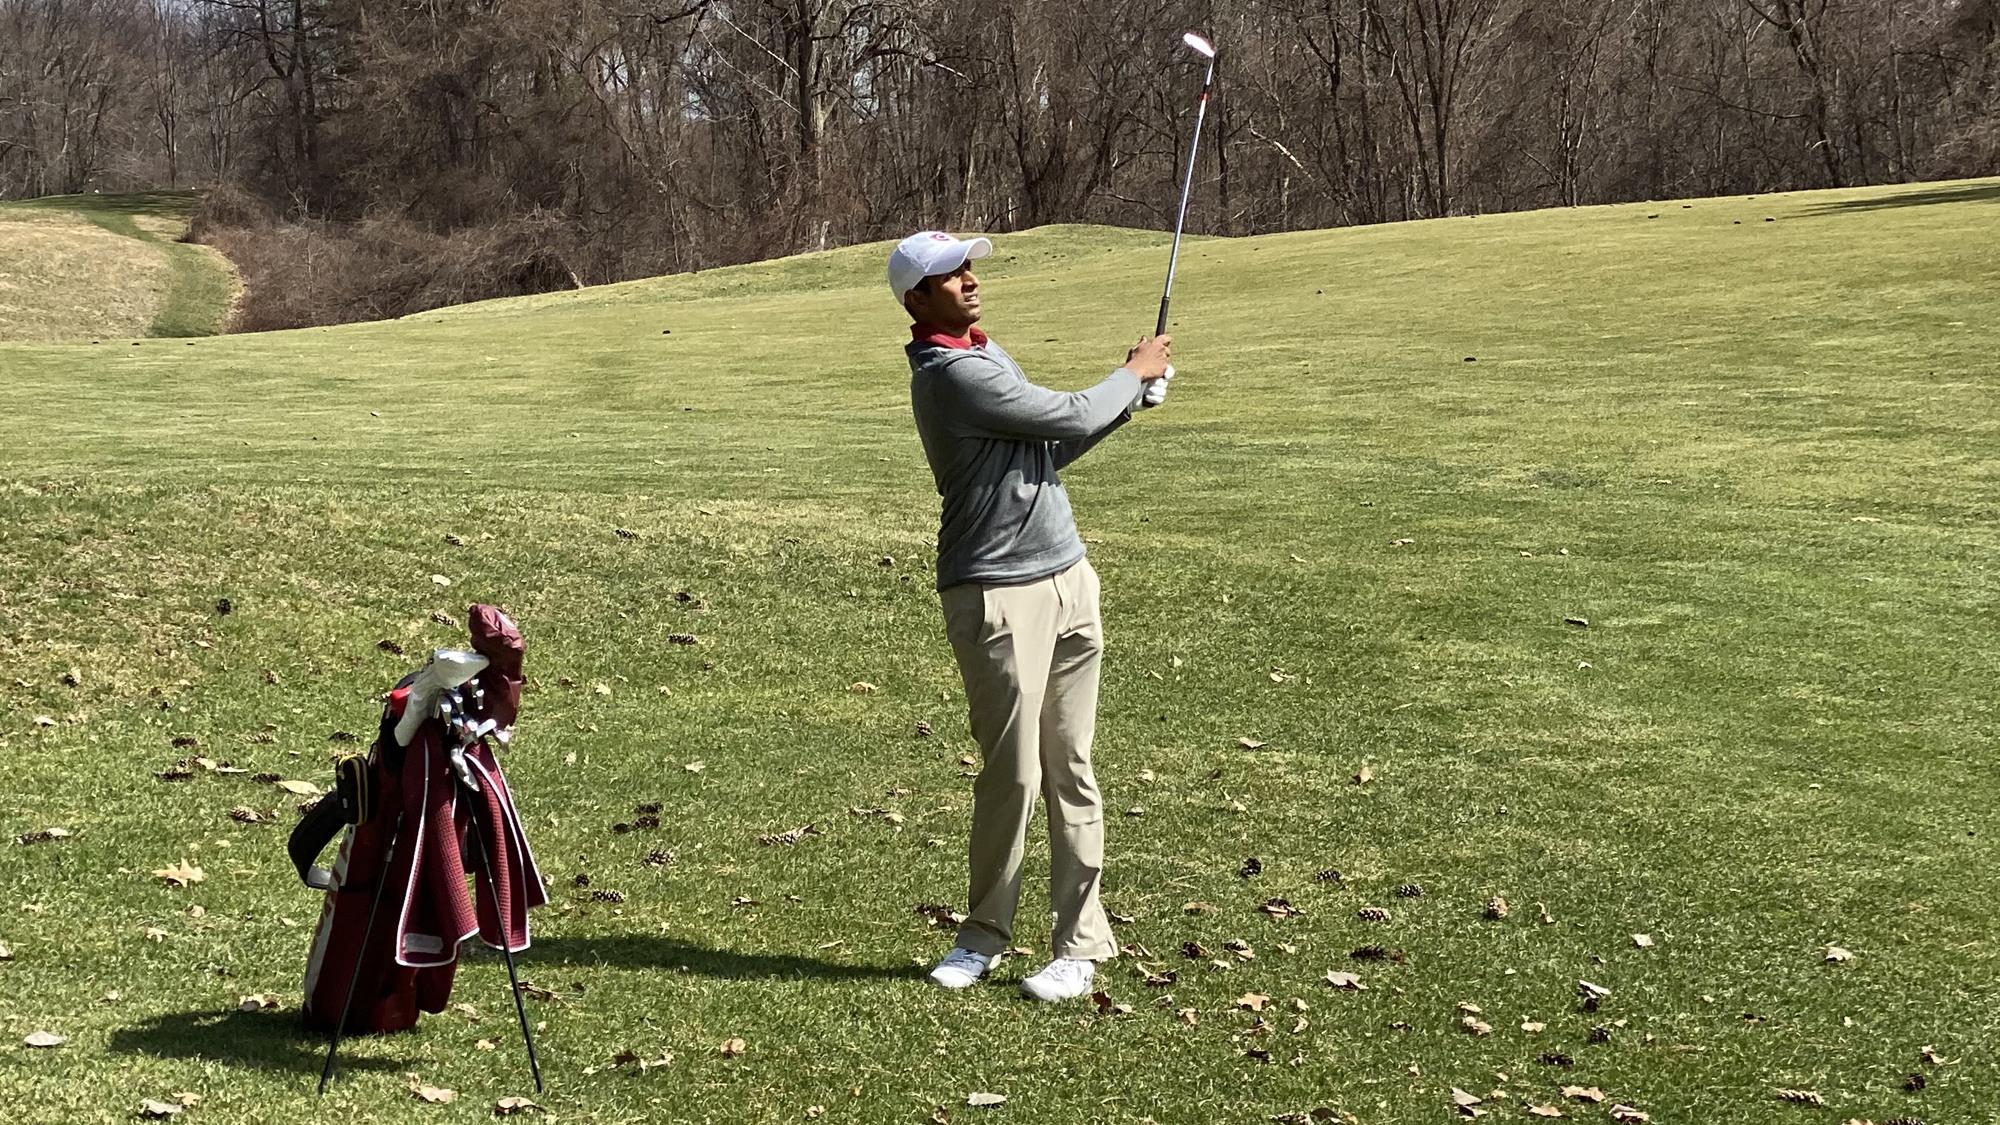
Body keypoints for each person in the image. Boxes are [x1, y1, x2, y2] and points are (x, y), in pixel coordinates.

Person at [889, 230, 1174, 1002]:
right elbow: (1066, 410)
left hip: (1068, 577)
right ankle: (982, 936)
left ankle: (1079, 946)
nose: (970, 280)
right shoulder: (949, 374)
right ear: (918, 299)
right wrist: (1128, 376)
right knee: (1013, 773)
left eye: (968, 267)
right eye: (951, 275)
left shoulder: (988, 351)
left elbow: (1050, 447)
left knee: (1070, 765)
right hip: (994, 591)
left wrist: (1126, 405)